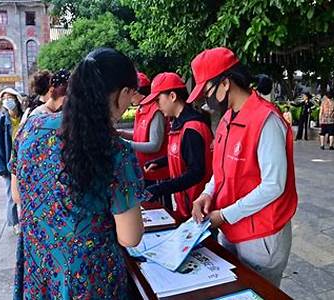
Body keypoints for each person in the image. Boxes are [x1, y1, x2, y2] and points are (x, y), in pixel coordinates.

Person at [9, 48, 147, 299]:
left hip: (39, 268)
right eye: (131, 95)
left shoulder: (31, 128)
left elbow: (17, 195)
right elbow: (130, 237)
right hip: (88, 280)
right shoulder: (115, 150)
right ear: (124, 92)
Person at [189, 47, 298, 288]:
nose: (205, 101)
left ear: (225, 83)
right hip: (231, 230)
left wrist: (224, 214)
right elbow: (222, 170)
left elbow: (274, 185)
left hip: (261, 237)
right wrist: (207, 193)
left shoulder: (266, 120)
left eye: (207, 91)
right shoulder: (228, 118)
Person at [143, 72, 213, 220]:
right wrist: (159, 162)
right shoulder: (177, 125)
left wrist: (160, 189)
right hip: (186, 206)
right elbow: (180, 155)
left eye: (158, 99)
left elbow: (196, 173)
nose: (157, 105)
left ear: (172, 96)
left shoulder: (191, 129)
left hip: (199, 209)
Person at [118, 72, 171, 207]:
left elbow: (154, 145)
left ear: (136, 92)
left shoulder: (155, 111)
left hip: (157, 172)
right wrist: (122, 133)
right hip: (144, 169)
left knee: (162, 210)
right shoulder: (141, 109)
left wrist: (127, 144)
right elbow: (139, 136)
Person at [0, 88, 24, 234]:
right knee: (12, 195)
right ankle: (14, 223)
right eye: (5, 98)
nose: (8, 101)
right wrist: (1, 169)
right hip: (9, 163)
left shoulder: (26, 117)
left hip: (24, 160)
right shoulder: (0, 123)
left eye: (10, 97)